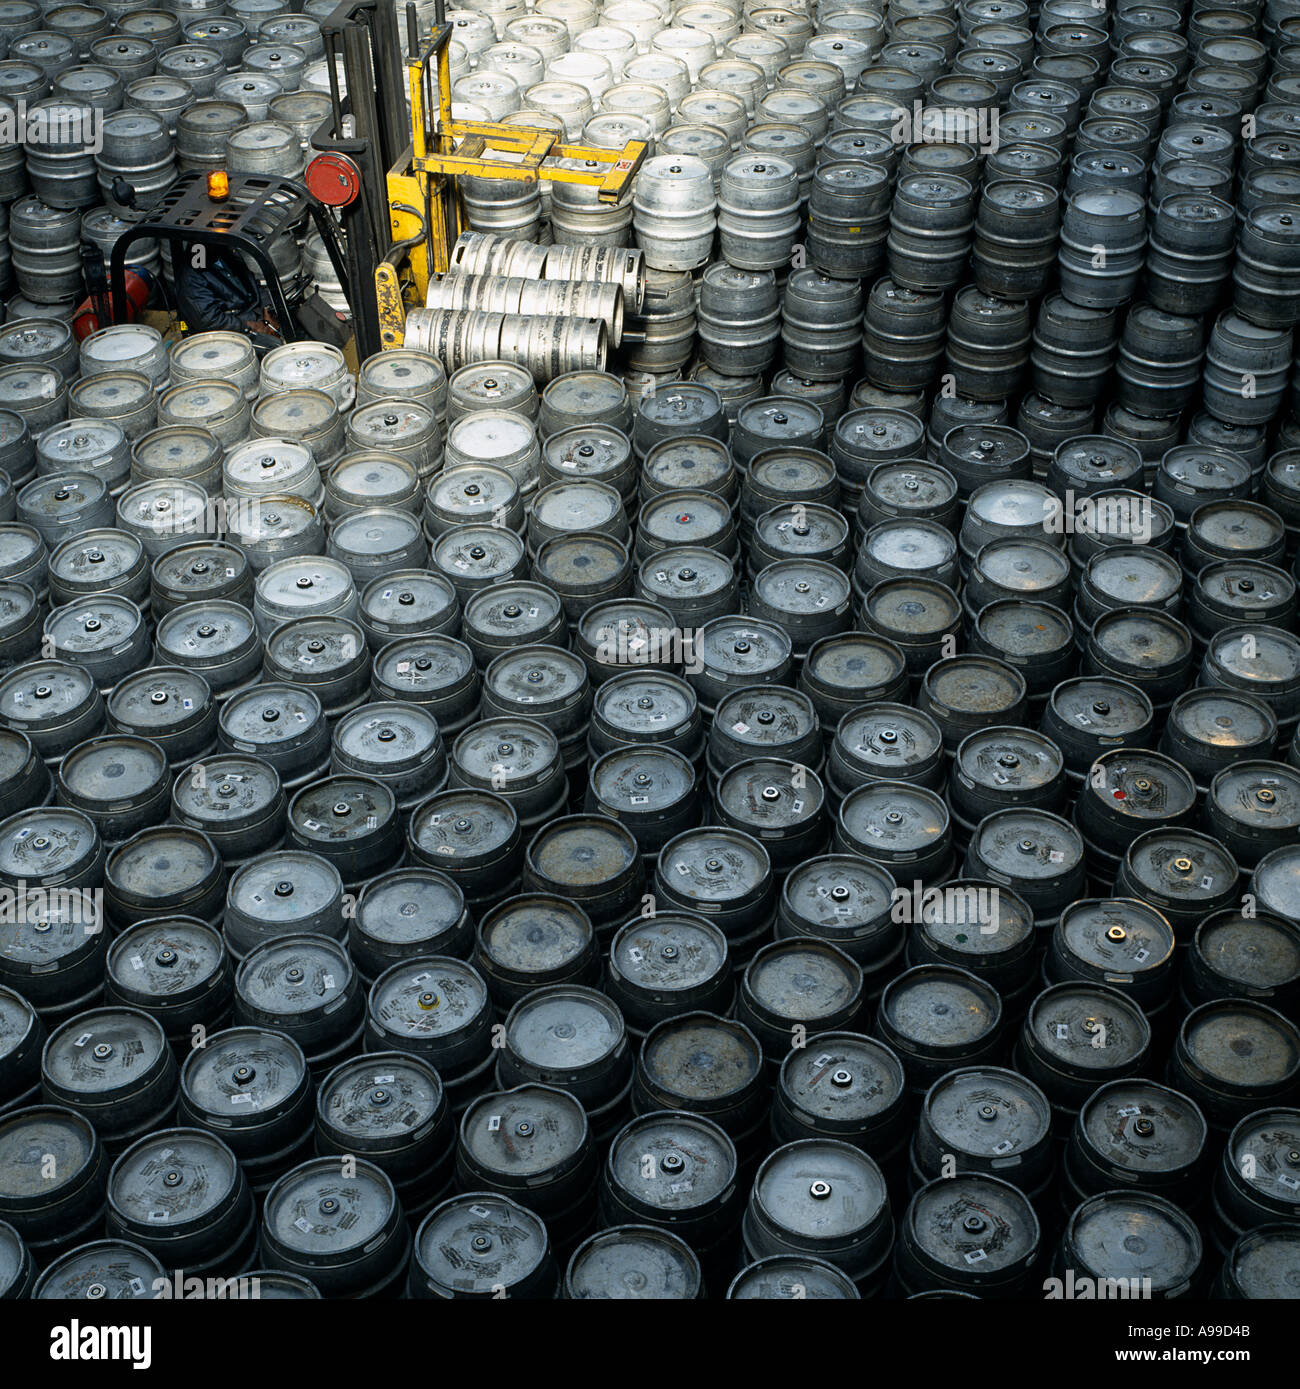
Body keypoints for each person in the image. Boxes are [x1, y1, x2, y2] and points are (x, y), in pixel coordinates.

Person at [175, 242, 283, 345]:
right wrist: (252, 326)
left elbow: (253, 283)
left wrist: (268, 311)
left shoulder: (226, 253)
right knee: (276, 348)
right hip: (227, 333)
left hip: (254, 316)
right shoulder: (192, 275)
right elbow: (208, 321)